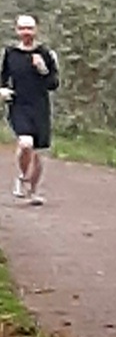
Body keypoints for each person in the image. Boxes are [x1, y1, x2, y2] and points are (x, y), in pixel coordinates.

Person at [2, 15, 59, 205]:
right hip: (19, 104)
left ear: (36, 30)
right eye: (22, 28)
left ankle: (33, 191)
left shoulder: (46, 54)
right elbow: (2, 78)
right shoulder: (10, 54)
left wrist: (43, 69)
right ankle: (21, 176)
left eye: (30, 28)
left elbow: (53, 84)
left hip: (40, 106)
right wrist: (2, 90)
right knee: (25, 143)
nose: (26, 32)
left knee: (38, 153)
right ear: (17, 31)